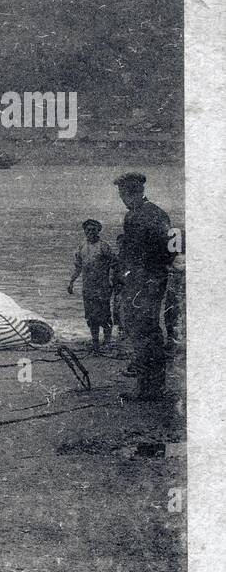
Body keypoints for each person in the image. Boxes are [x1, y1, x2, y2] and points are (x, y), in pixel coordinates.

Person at [114, 171, 173, 400]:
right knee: (148, 331)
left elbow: (133, 254)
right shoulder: (157, 213)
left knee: (143, 332)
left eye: (122, 193)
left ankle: (148, 388)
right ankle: (152, 385)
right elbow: (170, 249)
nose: (122, 197)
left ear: (130, 192)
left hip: (142, 282)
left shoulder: (137, 216)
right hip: (151, 280)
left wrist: (128, 276)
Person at [67, 219, 116, 352]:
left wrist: (111, 280)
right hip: (88, 287)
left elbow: (114, 264)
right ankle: (95, 342)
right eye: (88, 230)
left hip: (103, 286)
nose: (90, 232)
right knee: (90, 315)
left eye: (93, 230)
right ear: (84, 231)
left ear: (98, 231)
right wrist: (71, 282)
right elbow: (78, 267)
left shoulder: (104, 246)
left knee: (105, 314)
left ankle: (107, 342)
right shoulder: (81, 247)